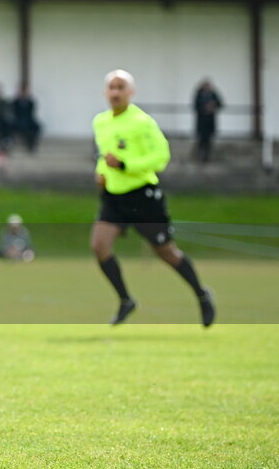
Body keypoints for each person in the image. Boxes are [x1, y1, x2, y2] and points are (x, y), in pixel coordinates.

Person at [92, 69, 215, 327]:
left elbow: (160, 158)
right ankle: (126, 300)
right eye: (111, 87)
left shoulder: (142, 122)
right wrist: (101, 173)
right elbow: (106, 157)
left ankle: (201, 294)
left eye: (120, 87)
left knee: (167, 253)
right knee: (99, 246)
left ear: (131, 92)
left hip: (143, 197)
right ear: (105, 92)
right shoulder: (100, 122)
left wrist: (126, 164)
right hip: (114, 198)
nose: (115, 92)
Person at [193, 78, 223, 164]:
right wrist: (204, 108)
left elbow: (220, 104)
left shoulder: (213, 94)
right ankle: (199, 156)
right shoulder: (199, 95)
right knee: (201, 140)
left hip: (210, 122)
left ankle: (206, 157)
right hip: (202, 122)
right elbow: (195, 106)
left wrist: (213, 106)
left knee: (208, 141)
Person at [13, 85, 40, 153]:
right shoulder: (16, 102)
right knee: (24, 127)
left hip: (28, 119)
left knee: (36, 126)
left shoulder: (30, 102)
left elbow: (31, 113)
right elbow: (15, 112)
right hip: (19, 120)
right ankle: (29, 143)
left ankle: (32, 143)